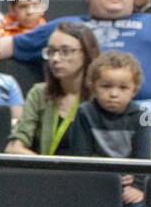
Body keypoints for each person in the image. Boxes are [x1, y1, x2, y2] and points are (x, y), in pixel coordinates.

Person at [0, 0, 151, 155]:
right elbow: (0, 47)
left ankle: (148, 182)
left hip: (144, 108)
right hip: (85, 105)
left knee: (148, 113)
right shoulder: (67, 26)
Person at [56, 51, 151, 207]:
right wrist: (111, 176)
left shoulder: (142, 115)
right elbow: (80, 157)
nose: (114, 94)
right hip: (95, 184)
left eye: (123, 88)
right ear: (93, 86)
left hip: (130, 187)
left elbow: (144, 157)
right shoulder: (85, 112)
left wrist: (138, 187)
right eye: (106, 86)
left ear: (135, 90)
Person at [6, 22, 100, 155]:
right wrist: (47, 169)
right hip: (46, 173)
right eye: (51, 51)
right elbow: (14, 148)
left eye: (65, 52)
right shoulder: (40, 93)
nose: (55, 59)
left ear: (87, 53)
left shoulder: (102, 96)